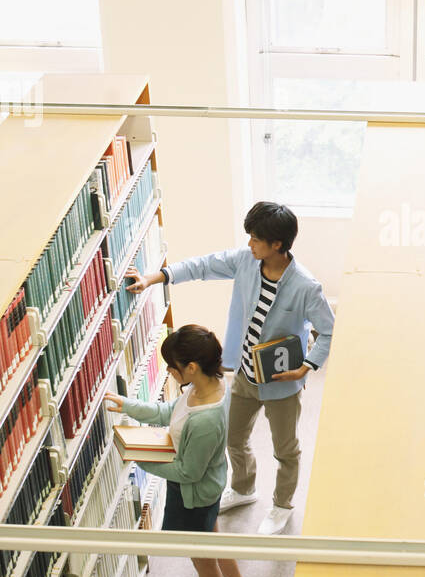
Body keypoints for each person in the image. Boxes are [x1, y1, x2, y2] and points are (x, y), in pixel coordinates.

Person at [127, 201, 334, 536]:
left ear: (276, 244)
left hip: (282, 384)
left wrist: (306, 367)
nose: (249, 243)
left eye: (256, 239)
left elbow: (328, 330)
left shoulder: (306, 286)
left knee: (286, 451)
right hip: (243, 376)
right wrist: (156, 278)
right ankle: (244, 488)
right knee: (234, 438)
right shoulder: (246, 261)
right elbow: (203, 265)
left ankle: (282, 505)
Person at [104, 325, 258, 577]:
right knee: (216, 541)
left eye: (172, 366)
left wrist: (140, 458)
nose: (168, 372)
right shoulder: (206, 385)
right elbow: (168, 412)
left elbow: (189, 473)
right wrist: (127, 405)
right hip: (207, 488)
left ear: (191, 367)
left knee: (203, 561)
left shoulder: (206, 420)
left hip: (195, 496)